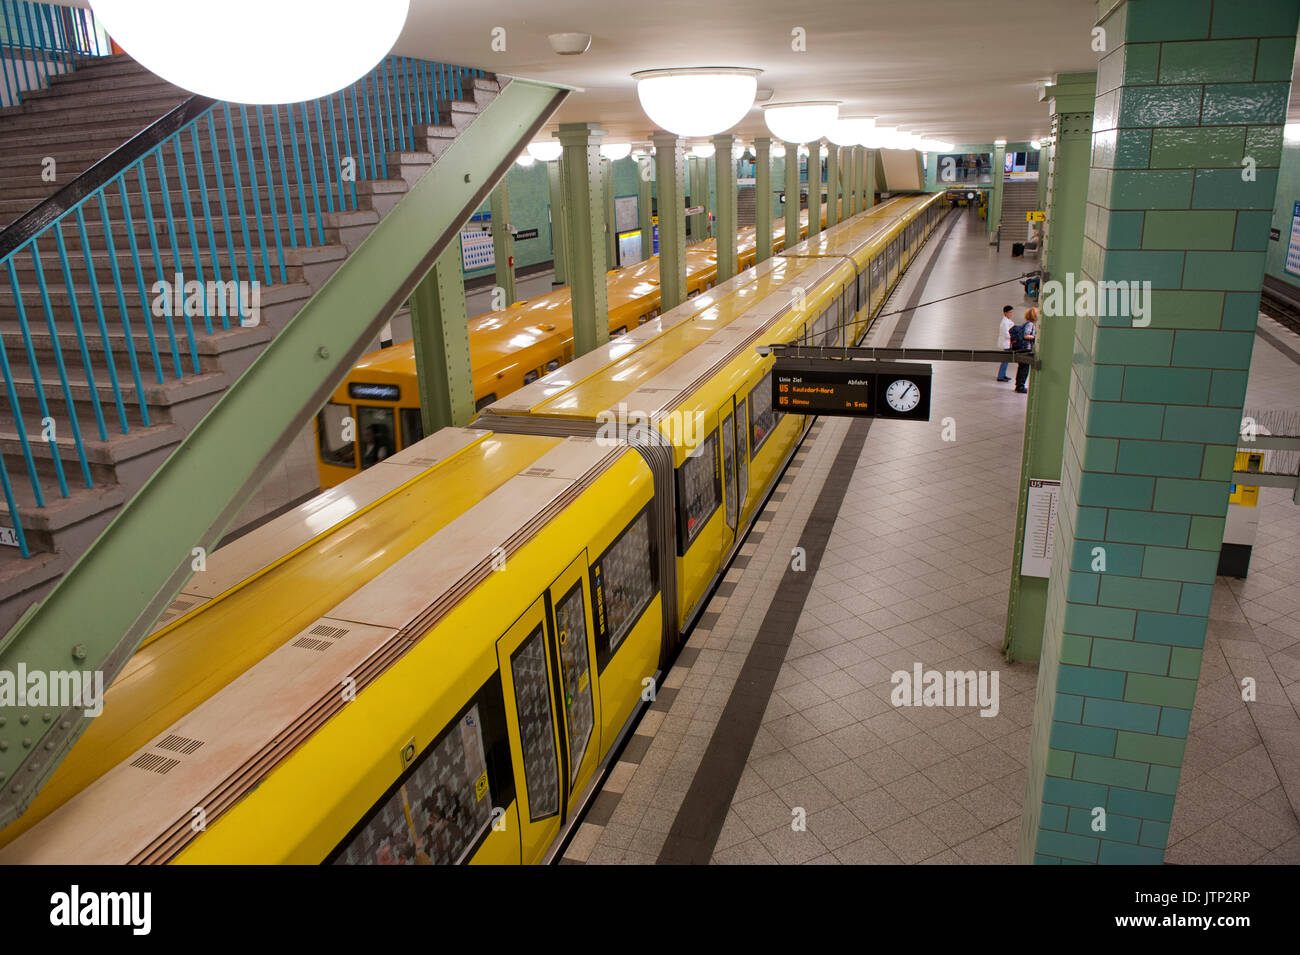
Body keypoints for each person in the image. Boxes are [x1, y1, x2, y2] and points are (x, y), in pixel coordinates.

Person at [1015, 307, 1038, 393]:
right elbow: (1026, 335)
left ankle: (1018, 385)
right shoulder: (1030, 324)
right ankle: (1020, 386)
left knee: (1022, 367)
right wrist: (1034, 337)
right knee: (1024, 368)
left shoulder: (1026, 323)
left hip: (1022, 348)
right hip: (1026, 348)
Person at [996, 305, 1015, 381]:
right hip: (1006, 343)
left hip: (1008, 343)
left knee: (1006, 361)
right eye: (1010, 312)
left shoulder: (1007, 321)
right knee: (1005, 360)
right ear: (1005, 313)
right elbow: (1006, 334)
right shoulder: (1004, 322)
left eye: (1012, 312)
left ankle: (1003, 374)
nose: (1011, 314)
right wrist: (1013, 337)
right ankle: (1000, 376)